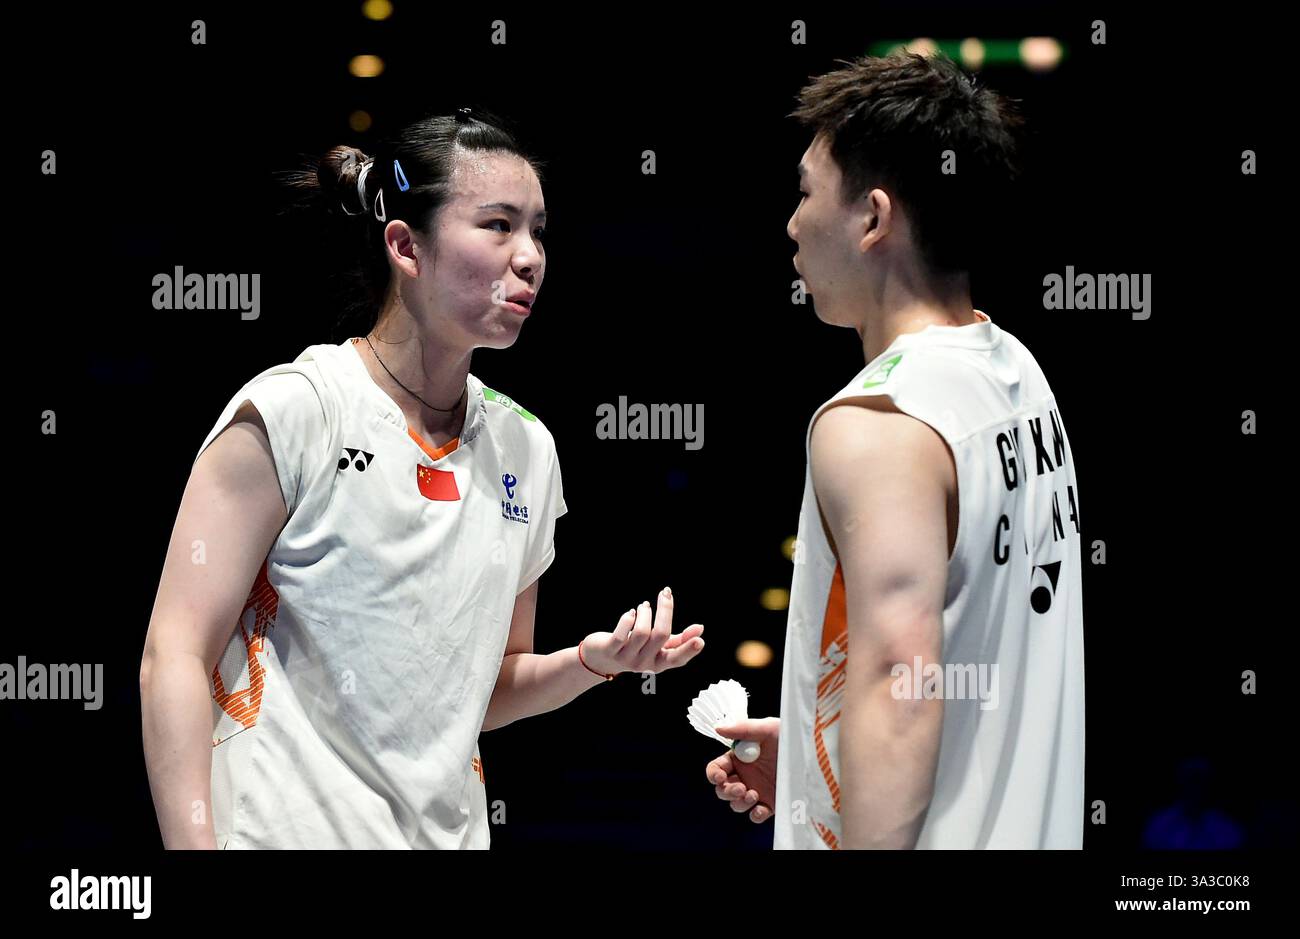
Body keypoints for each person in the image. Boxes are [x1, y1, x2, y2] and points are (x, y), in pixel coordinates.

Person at [140, 107, 705, 849]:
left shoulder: (526, 449)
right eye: (499, 225)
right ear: (407, 247)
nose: (530, 256)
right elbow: (173, 655)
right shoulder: (295, 411)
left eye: (538, 229)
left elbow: (489, 687)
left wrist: (587, 664)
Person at [706, 52, 1085, 849]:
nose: (792, 222)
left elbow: (900, 689)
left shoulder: (878, 418)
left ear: (874, 218)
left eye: (806, 192)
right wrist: (823, 763)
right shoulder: (1018, 372)